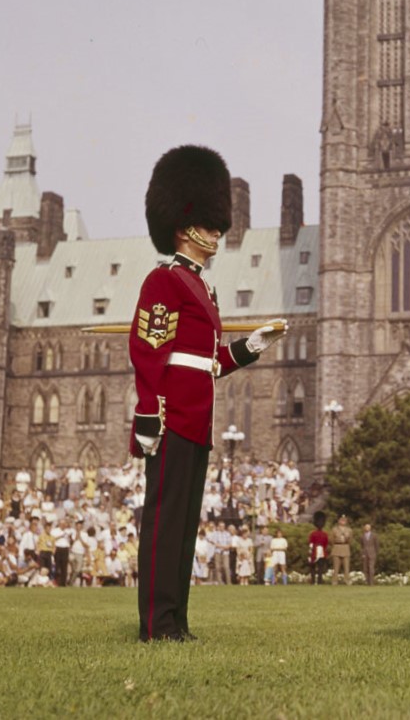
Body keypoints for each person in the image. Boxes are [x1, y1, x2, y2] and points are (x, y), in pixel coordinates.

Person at [129, 145, 286, 642]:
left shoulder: (204, 289)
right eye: (209, 224)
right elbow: (149, 350)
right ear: (183, 226)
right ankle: (157, 624)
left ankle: (176, 621)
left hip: (197, 420)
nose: (217, 234)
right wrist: (150, 415)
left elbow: (210, 361)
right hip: (173, 417)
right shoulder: (164, 280)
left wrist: (252, 346)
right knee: (165, 523)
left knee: (184, 528)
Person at [330, 515, 353, 585]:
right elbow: (331, 540)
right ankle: (334, 581)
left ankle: (347, 581)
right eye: (341, 520)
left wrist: (347, 538)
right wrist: (337, 540)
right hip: (337, 548)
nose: (343, 521)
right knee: (336, 567)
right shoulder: (334, 529)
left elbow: (351, 540)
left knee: (346, 567)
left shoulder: (349, 530)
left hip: (345, 548)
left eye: (344, 520)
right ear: (338, 521)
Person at [308, 511, 329, 585]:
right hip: (321, 550)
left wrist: (310, 552)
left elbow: (311, 543)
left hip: (315, 550)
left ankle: (313, 580)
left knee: (313, 567)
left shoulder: (313, 533)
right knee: (320, 567)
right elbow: (326, 543)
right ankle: (319, 580)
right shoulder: (325, 534)